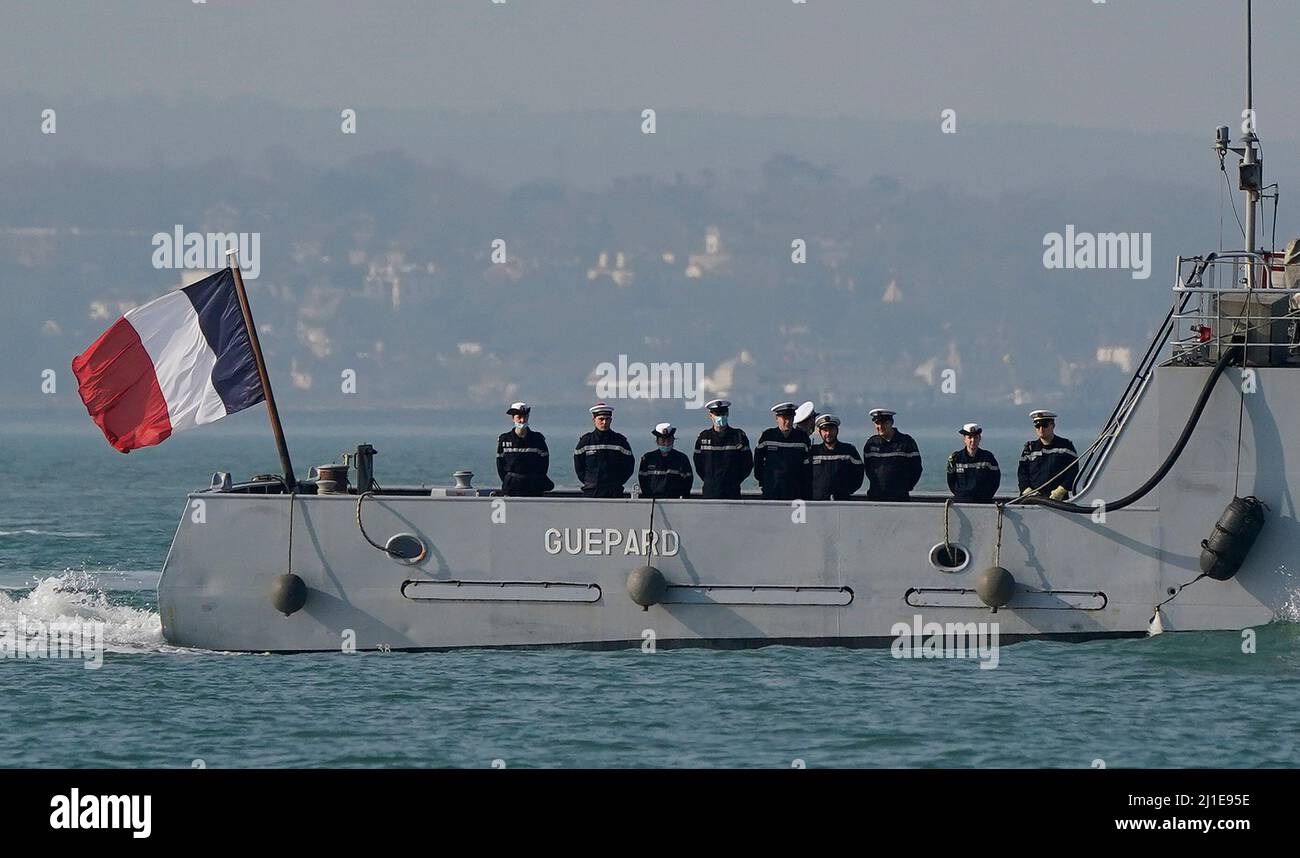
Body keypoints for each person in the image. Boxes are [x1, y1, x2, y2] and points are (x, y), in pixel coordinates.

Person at [693, 399, 753, 499]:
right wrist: (710, 480)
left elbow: (747, 464)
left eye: (723, 413)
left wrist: (734, 481)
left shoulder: (738, 436)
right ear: (710, 415)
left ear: (727, 414)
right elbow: (698, 464)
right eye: (717, 414)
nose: (720, 417)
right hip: (710, 492)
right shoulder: (703, 437)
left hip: (732, 492)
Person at [574, 402, 635, 497]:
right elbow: (579, 466)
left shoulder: (620, 441)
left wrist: (617, 482)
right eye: (601, 419)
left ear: (611, 420)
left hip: (614, 492)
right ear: (594, 420)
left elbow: (629, 466)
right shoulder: (585, 442)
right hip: (591, 491)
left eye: (607, 419)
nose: (604, 422)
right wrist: (589, 480)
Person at [754, 402, 812, 500]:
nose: (788, 422)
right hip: (772, 490)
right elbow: (757, 462)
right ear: (777, 419)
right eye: (784, 418)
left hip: (795, 492)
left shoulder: (802, 438)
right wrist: (765, 480)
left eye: (790, 418)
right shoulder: (768, 436)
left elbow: (807, 468)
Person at [495, 401, 555, 496]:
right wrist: (509, 480)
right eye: (519, 417)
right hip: (512, 489)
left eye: (525, 417)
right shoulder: (504, 440)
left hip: (533, 488)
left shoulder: (537, 439)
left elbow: (544, 465)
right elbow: (500, 466)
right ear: (513, 418)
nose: (522, 420)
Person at [862, 408, 923, 501]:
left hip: (899, 497)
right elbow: (868, 469)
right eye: (877, 423)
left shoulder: (906, 442)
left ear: (891, 422)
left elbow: (916, 469)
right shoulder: (871, 444)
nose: (880, 426)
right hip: (875, 496)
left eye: (884, 423)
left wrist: (904, 487)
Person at [1017, 410, 1079, 499]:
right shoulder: (1030, 448)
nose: (1041, 429)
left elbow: (1073, 471)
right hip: (1032, 499)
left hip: (1058, 500)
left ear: (1053, 425)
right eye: (1037, 426)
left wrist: (1062, 489)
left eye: (1044, 425)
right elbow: (1022, 473)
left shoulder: (1066, 446)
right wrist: (1026, 490)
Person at [810, 414, 864, 500]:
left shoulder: (848, 450)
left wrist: (846, 491)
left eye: (831, 429)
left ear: (837, 430)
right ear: (820, 432)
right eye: (825, 430)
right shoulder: (813, 452)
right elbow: (805, 475)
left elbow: (859, 474)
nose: (828, 433)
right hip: (818, 502)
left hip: (842, 502)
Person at [946, 422, 1000, 503]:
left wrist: (986, 496)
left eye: (976, 437)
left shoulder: (988, 458)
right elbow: (951, 481)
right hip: (961, 503)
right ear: (964, 439)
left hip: (983, 503)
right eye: (970, 437)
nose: (973, 440)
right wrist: (962, 495)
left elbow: (995, 480)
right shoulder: (956, 458)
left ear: (979, 438)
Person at [638, 422, 694, 498]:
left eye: (669, 440)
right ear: (657, 441)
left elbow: (688, 483)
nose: (666, 443)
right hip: (652, 502)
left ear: (673, 440)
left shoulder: (682, 459)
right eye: (663, 440)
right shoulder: (647, 458)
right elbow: (643, 481)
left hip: (675, 502)